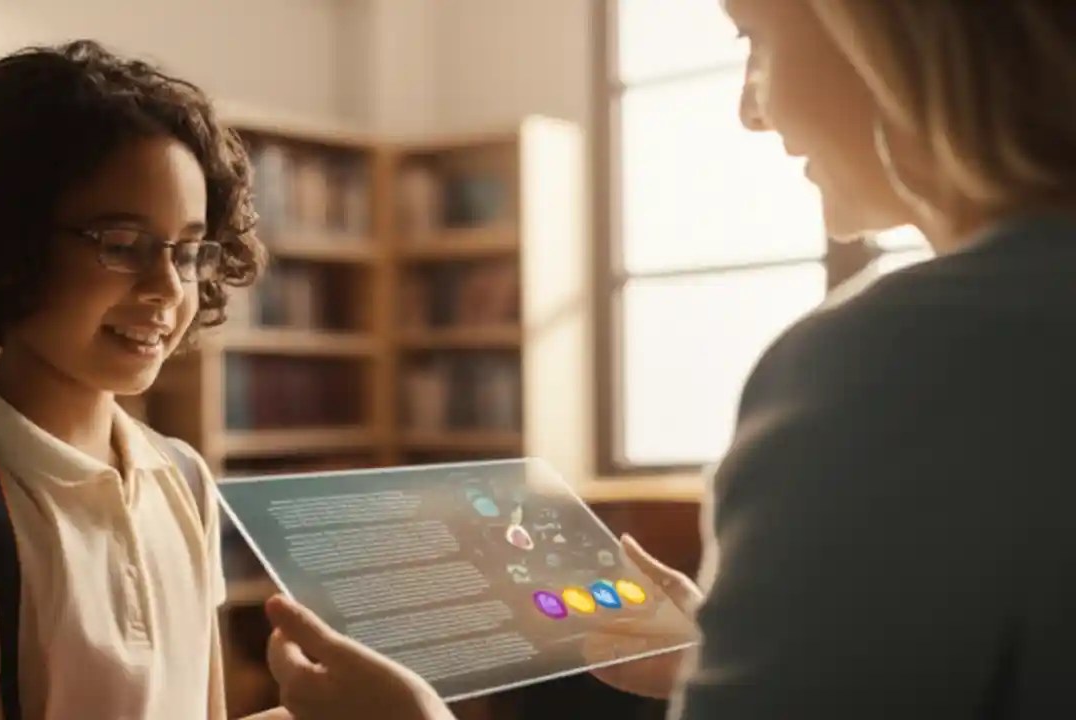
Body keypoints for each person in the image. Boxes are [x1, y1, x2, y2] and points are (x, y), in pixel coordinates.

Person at [262, 0, 1076, 717]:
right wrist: (712, 656)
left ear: (888, 33)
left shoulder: (884, 364)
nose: (749, 111)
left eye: (754, 38)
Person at [0, 40, 288, 720]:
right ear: (10, 247)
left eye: (188, 252)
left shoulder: (183, 477)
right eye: (122, 246)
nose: (167, 288)